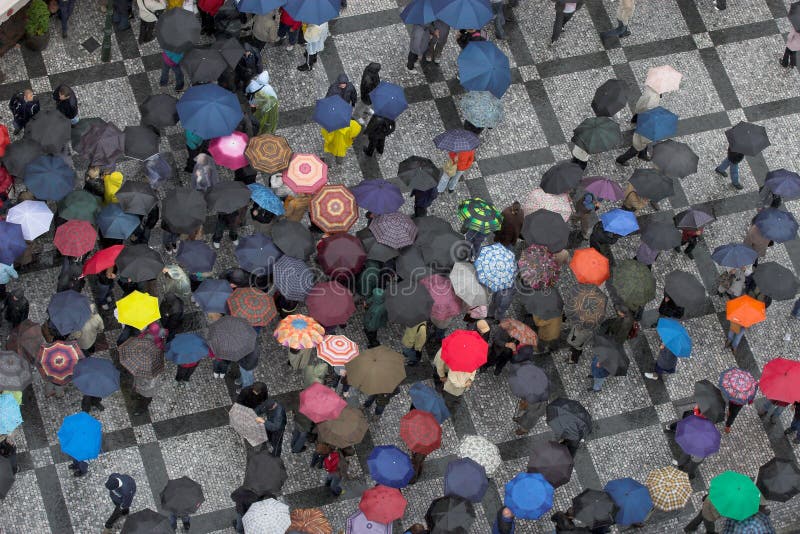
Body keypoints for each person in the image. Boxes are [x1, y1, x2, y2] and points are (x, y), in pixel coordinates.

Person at [432, 347, 476, 413]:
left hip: (459, 389)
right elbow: (440, 367)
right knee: (441, 385)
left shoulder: (469, 361)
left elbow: (474, 370)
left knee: (453, 398)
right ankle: (440, 392)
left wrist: (470, 379)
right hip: (450, 387)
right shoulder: (453, 364)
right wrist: (442, 376)